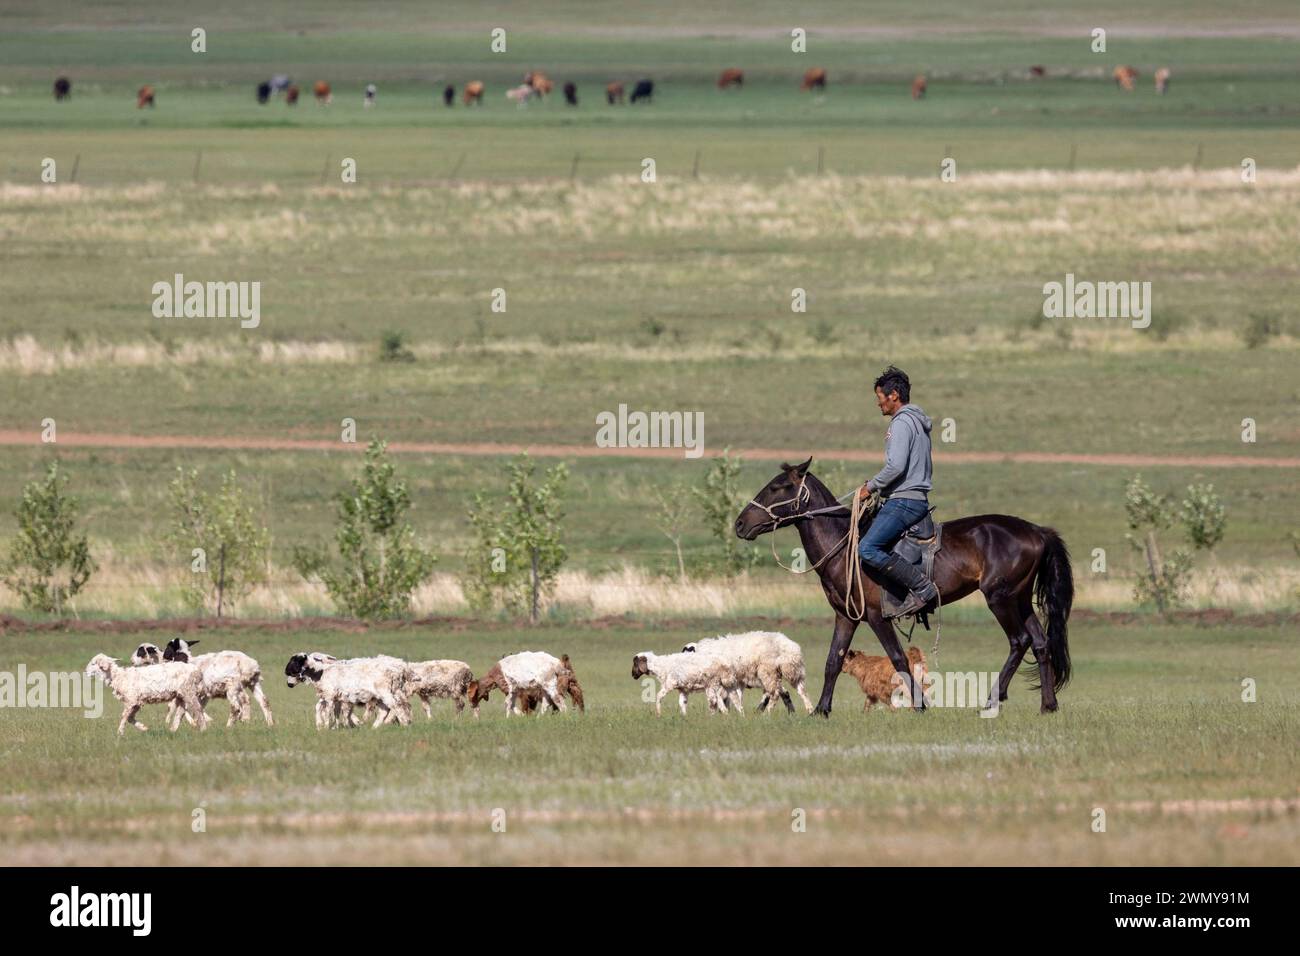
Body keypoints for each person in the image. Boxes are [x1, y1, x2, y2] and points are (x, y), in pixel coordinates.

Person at [856, 366, 939, 618]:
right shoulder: (918, 421)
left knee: (867, 549)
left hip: (904, 501)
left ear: (893, 395)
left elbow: (896, 466)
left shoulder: (902, 422)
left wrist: (869, 487)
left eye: (880, 397)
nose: (878, 403)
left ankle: (922, 587)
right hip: (915, 499)